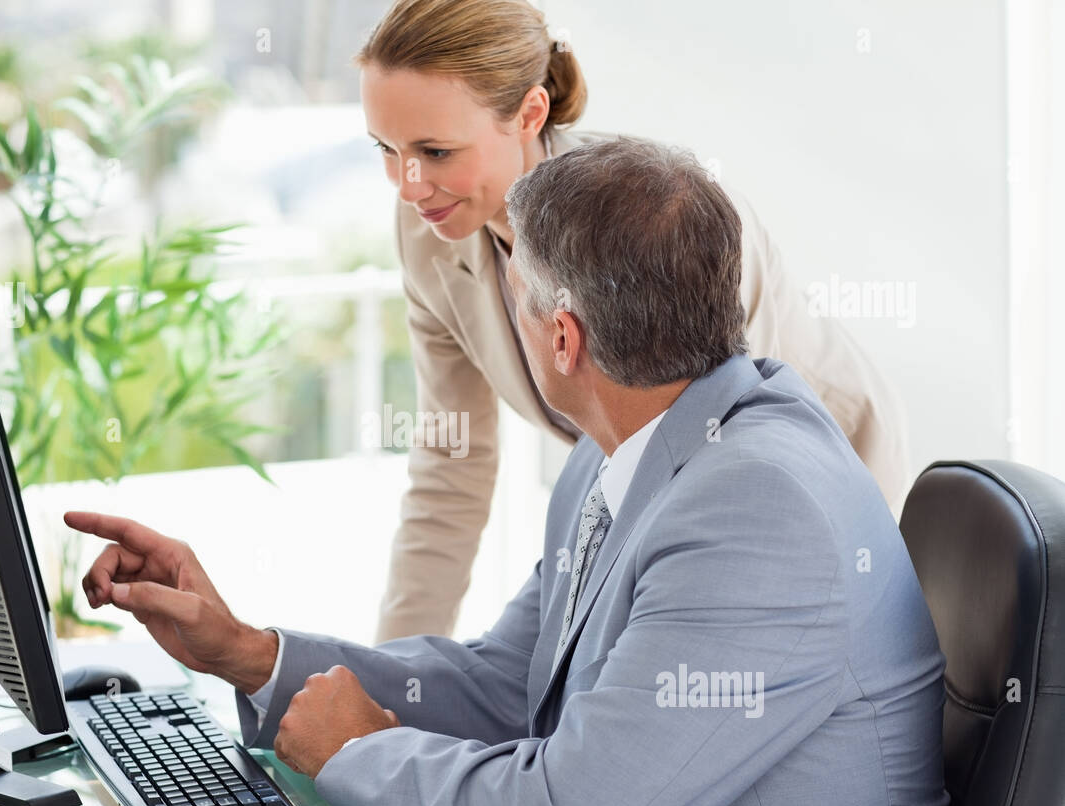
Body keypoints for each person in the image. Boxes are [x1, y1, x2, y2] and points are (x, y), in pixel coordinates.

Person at [64, 137, 949, 806]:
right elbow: (506, 685)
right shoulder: (627, 452)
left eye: (518, 297)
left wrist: (356, 751)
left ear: (563, 338)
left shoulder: (758, 510)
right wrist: (253, 656)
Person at [356, 0, 911, 643]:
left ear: (530, 114)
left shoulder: (660, 218)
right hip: (673, 479)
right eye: (386, 149)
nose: (408, 184)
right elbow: (450, 466)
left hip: (805, 464)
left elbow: (725, 454)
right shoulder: (429, 235)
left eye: (435, 150)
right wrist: (392, 678)